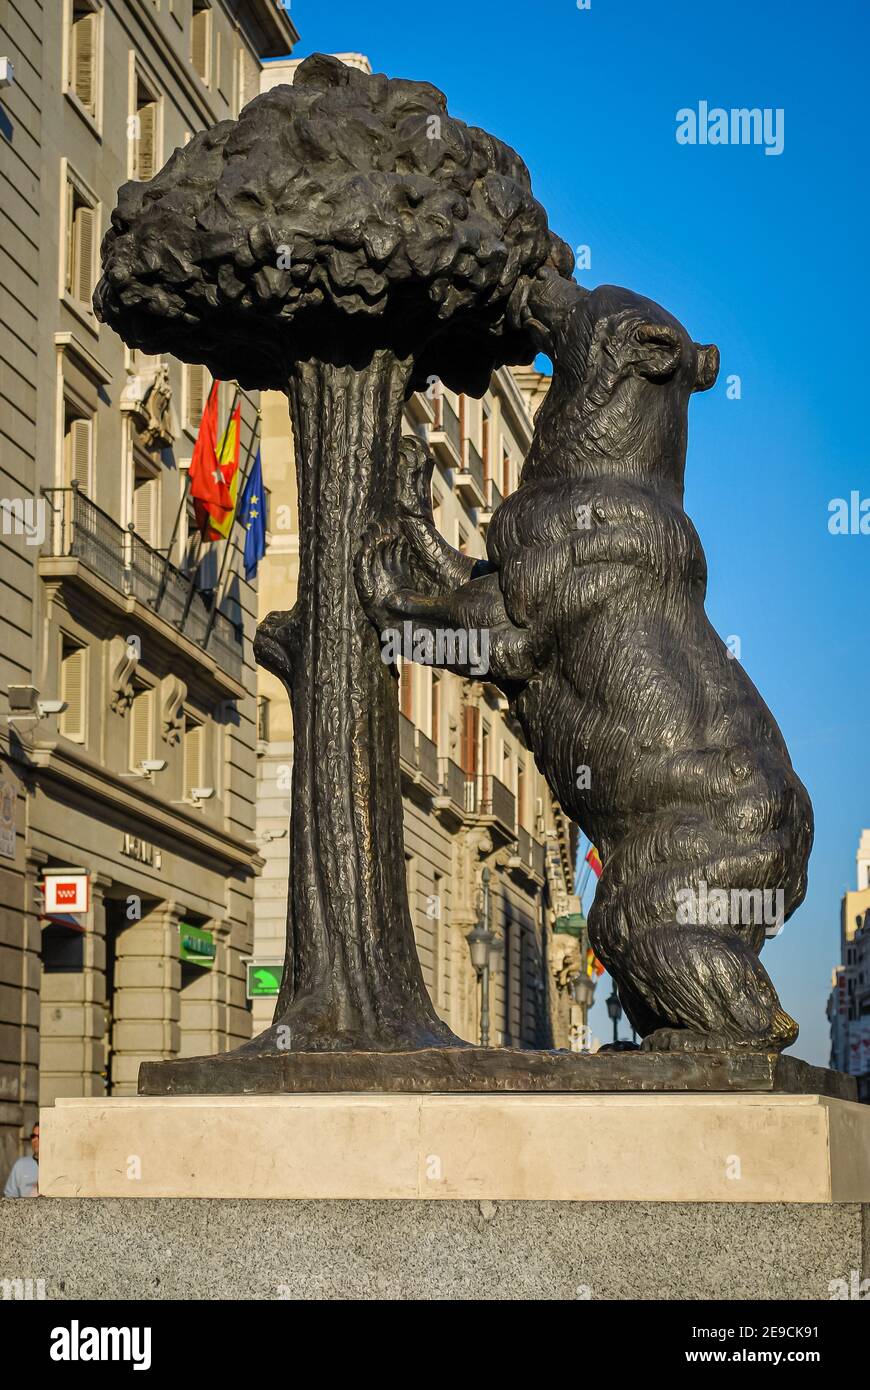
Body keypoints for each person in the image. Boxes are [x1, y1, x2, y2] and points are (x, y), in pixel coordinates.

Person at [3, 1122, 38, 1197]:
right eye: (33, 1136)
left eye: (40, 1136)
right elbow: (9, 1196)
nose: (35, 1140)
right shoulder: (20, 1164)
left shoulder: (58, 1165)